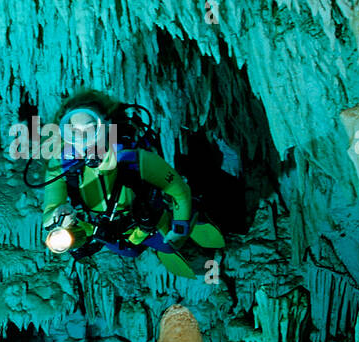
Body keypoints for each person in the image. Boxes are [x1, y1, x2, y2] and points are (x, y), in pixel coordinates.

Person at [35, 92, 223, 278]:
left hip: (143, 219)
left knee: (169, 244)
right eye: (74, 130)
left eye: (90, 128)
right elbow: (49, 215)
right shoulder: (60, 164)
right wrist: (58, 218)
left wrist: (180, 228)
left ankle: (194, 214)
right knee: (129, 252)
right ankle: (153, 246)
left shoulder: (135, 159)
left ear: (107, 126)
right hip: (105, 227)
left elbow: (179, 190)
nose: (82, 137)